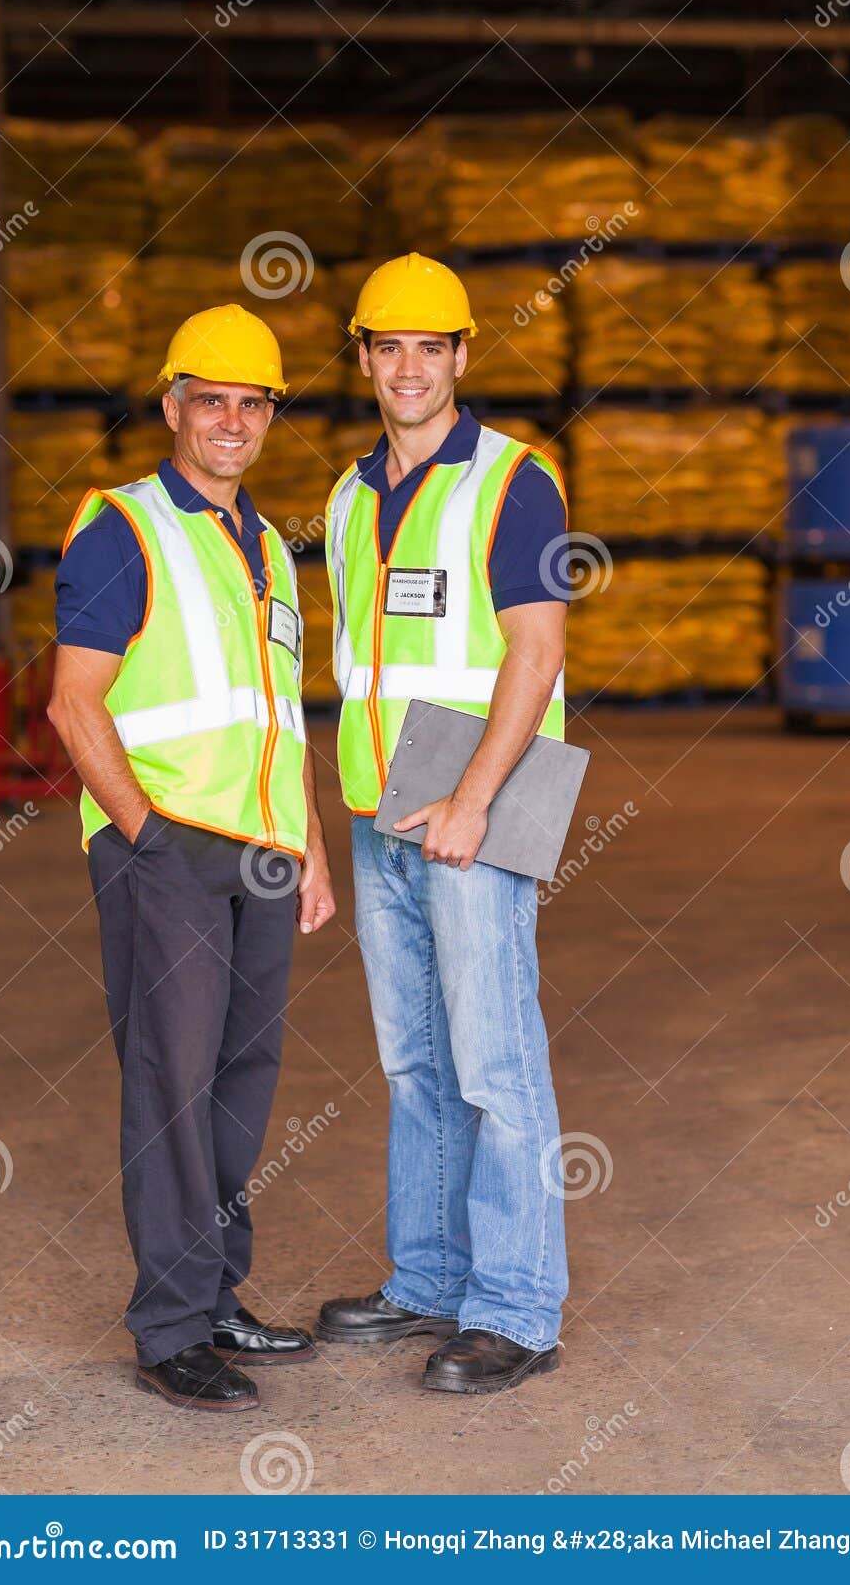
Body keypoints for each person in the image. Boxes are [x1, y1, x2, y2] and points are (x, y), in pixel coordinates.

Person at [49, 304, 335, 1411]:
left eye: (249, 402)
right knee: (171, 1083)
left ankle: (214, 1292)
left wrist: (308, 845)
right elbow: (74, 705)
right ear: (172, 407)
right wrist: (144, 834)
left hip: (261, 853)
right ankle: (170, 1325)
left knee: (238, 1080)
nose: (228, 419)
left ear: (268, 417)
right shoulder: (124, 526)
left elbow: (279, 715)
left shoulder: (265, 545)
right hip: (164, 845)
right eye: (207, 399)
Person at [316, 254, 570, 1395]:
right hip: (382, 806)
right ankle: (427, 1277)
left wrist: (470, 799)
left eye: (432, 345)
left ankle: (515, 1307)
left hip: (478, 800)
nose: (408, 366)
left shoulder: (515, 479)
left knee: (493, 1057)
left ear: (463, 355)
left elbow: (535, 646)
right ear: (362, 357)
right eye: (388, 345)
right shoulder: (346, 493)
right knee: (413, 1056)